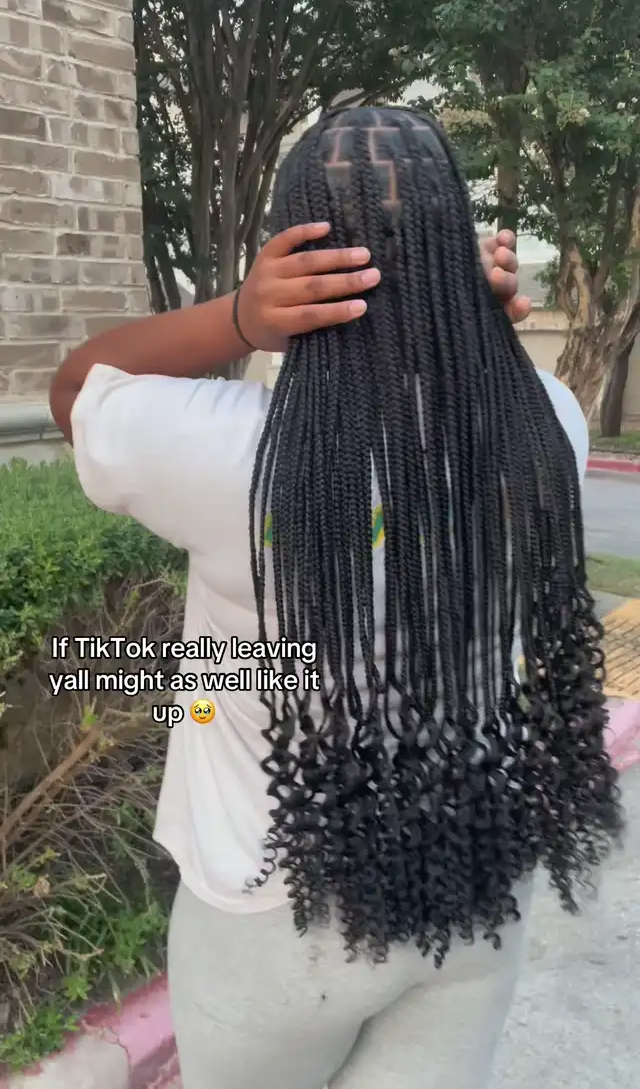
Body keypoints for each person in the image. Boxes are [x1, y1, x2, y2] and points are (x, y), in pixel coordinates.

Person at [49, 106, 622, 1089]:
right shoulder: (551, 427)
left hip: (279, 909)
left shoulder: (225, 451)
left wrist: (238, 318)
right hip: (475, 881)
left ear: (294, 257)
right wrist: (467, 317)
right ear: (458, 252)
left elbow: (76, 388)